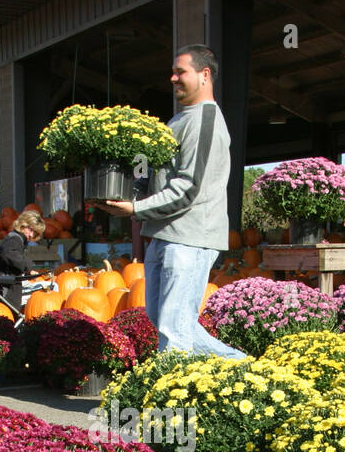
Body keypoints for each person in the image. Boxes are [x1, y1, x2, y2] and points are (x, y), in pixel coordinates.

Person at [95, 45, 244, 358]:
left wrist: (134, 209)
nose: (173, 77)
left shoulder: (204, 120)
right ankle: (240, 367)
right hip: (165, 234)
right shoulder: (179, 120)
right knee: (167, 320)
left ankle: (172, 405)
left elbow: (189, 188)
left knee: (174, 328)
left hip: (189, 237)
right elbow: (156, 179)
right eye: (174, 72)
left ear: (205, 75)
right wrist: (126, 192)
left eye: (181, 72)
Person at [0, 210, 53, 309]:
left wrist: (27, 270)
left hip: (9, 282)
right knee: (52, 287)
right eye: (31, 230)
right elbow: (8, 254)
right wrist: (28, 266)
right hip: (9, 287)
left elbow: (13, 260)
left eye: (35, 233)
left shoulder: (15, 237)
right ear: (23, 225)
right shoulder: (14, 239)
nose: (32, 235)